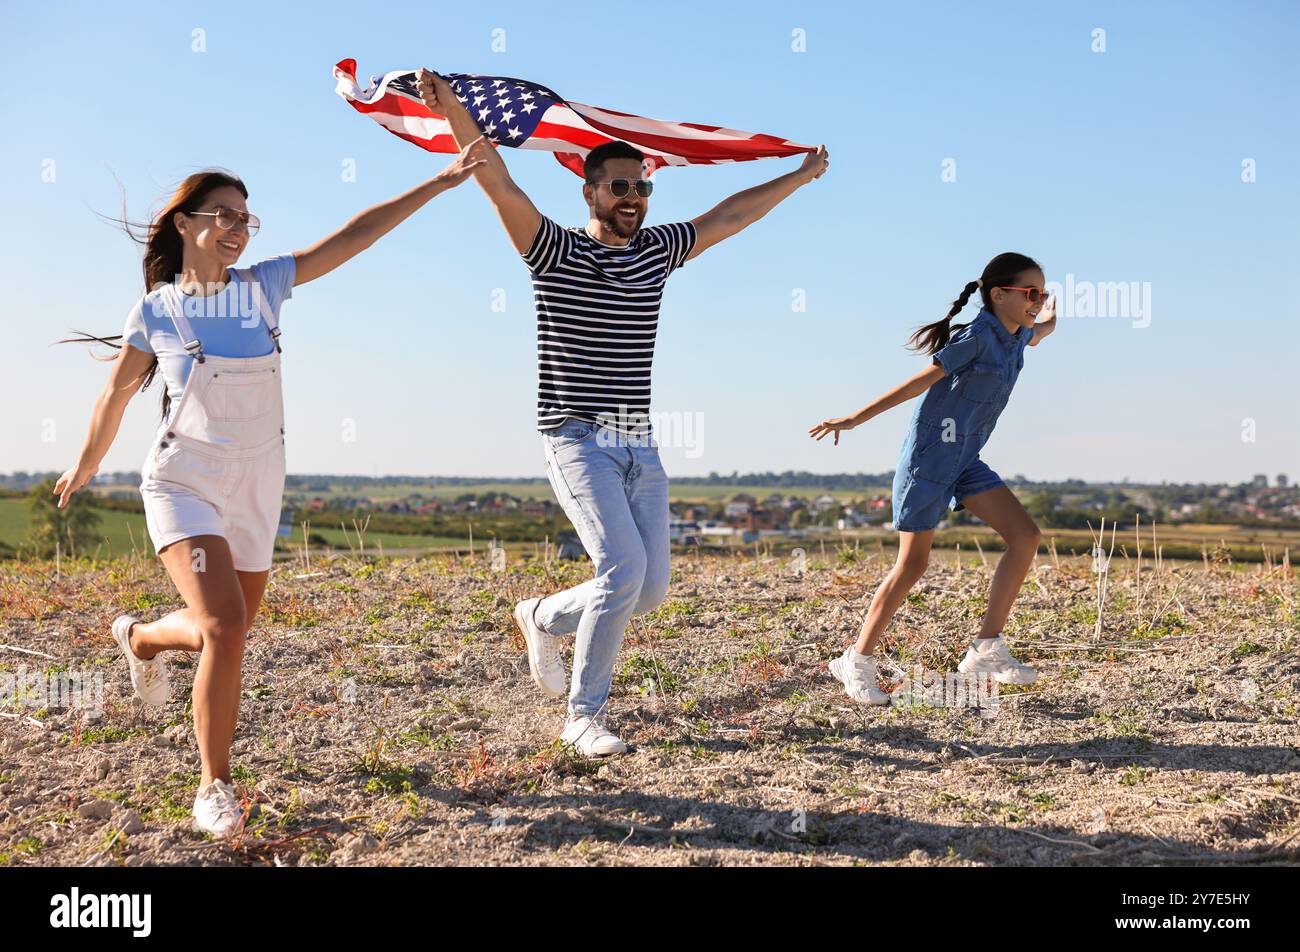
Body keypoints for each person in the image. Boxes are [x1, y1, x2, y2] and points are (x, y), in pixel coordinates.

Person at [53, 139, 487, 836]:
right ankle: (213, 785)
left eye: (246, 219)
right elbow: (115, 393)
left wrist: (436, 183)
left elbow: (354, 235)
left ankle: (139, 638)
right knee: (225, 627)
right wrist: (85, 462)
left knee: (227, 630)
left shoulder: (265, 287)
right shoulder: (159, 310)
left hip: (258, 484)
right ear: (184, 223)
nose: (236, 227)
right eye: (223, 213)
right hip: (184, 483)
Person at [415, 67, 829, 755]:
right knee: (621, 570)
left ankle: (541, 615)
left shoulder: (658, 252)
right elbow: (495, 178)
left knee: (650, 587)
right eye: (620, 185)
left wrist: (799, 176)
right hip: (575, 437)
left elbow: (729, 216)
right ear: (589, 190)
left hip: (640, 439)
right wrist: (455, 109)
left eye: (643, 185)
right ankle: (584, 715)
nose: (634, 196)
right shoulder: (553, 251)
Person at [809, 253, 1058, 704]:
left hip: (965, 461)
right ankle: (856, 661)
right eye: (1031, 293)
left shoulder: (1016, 335)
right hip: (928, 463)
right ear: (998, 295)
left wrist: (1049, 319)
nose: (1037, 302)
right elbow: (920, 381)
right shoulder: (976, 337)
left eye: (1042, 293)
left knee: (1025, 536)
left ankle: (986, 648)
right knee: (913, 564)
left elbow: (1039, 334)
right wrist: (854, 417)